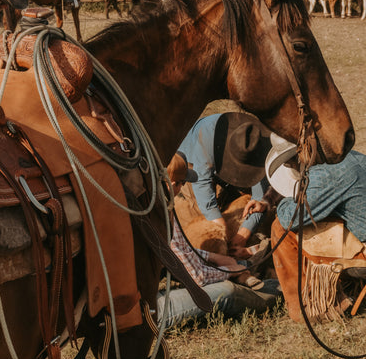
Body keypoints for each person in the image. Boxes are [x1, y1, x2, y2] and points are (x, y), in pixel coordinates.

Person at [156, 152, 282, 328]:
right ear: (173, 184)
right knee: (228, 291)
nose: (182, 189)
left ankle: (267, 284)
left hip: (145, 295)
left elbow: (177, 252)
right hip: (148, 309)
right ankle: (273, 295)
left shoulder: (157, 204)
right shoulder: (159, 213)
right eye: (183, 183)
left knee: (238, 268)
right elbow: (197, 277)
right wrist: (229, 271)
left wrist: (212, 257)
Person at [259, 135, 366, 321]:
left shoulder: (327, 175)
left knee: (280, 229)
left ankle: (309, 305)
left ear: (299, 157)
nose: (291, 168)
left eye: (290, 164)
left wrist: (284, 200)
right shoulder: (349, 158)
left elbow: (289, 218)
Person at [179, 112, 272, 259]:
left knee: (247, 214)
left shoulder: (255, 142)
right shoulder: (205, 142)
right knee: (201, 223)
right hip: (192, 162)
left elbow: (260, 198)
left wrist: (243, 235)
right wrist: (222, 231)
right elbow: (204, 192)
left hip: (221, 158)